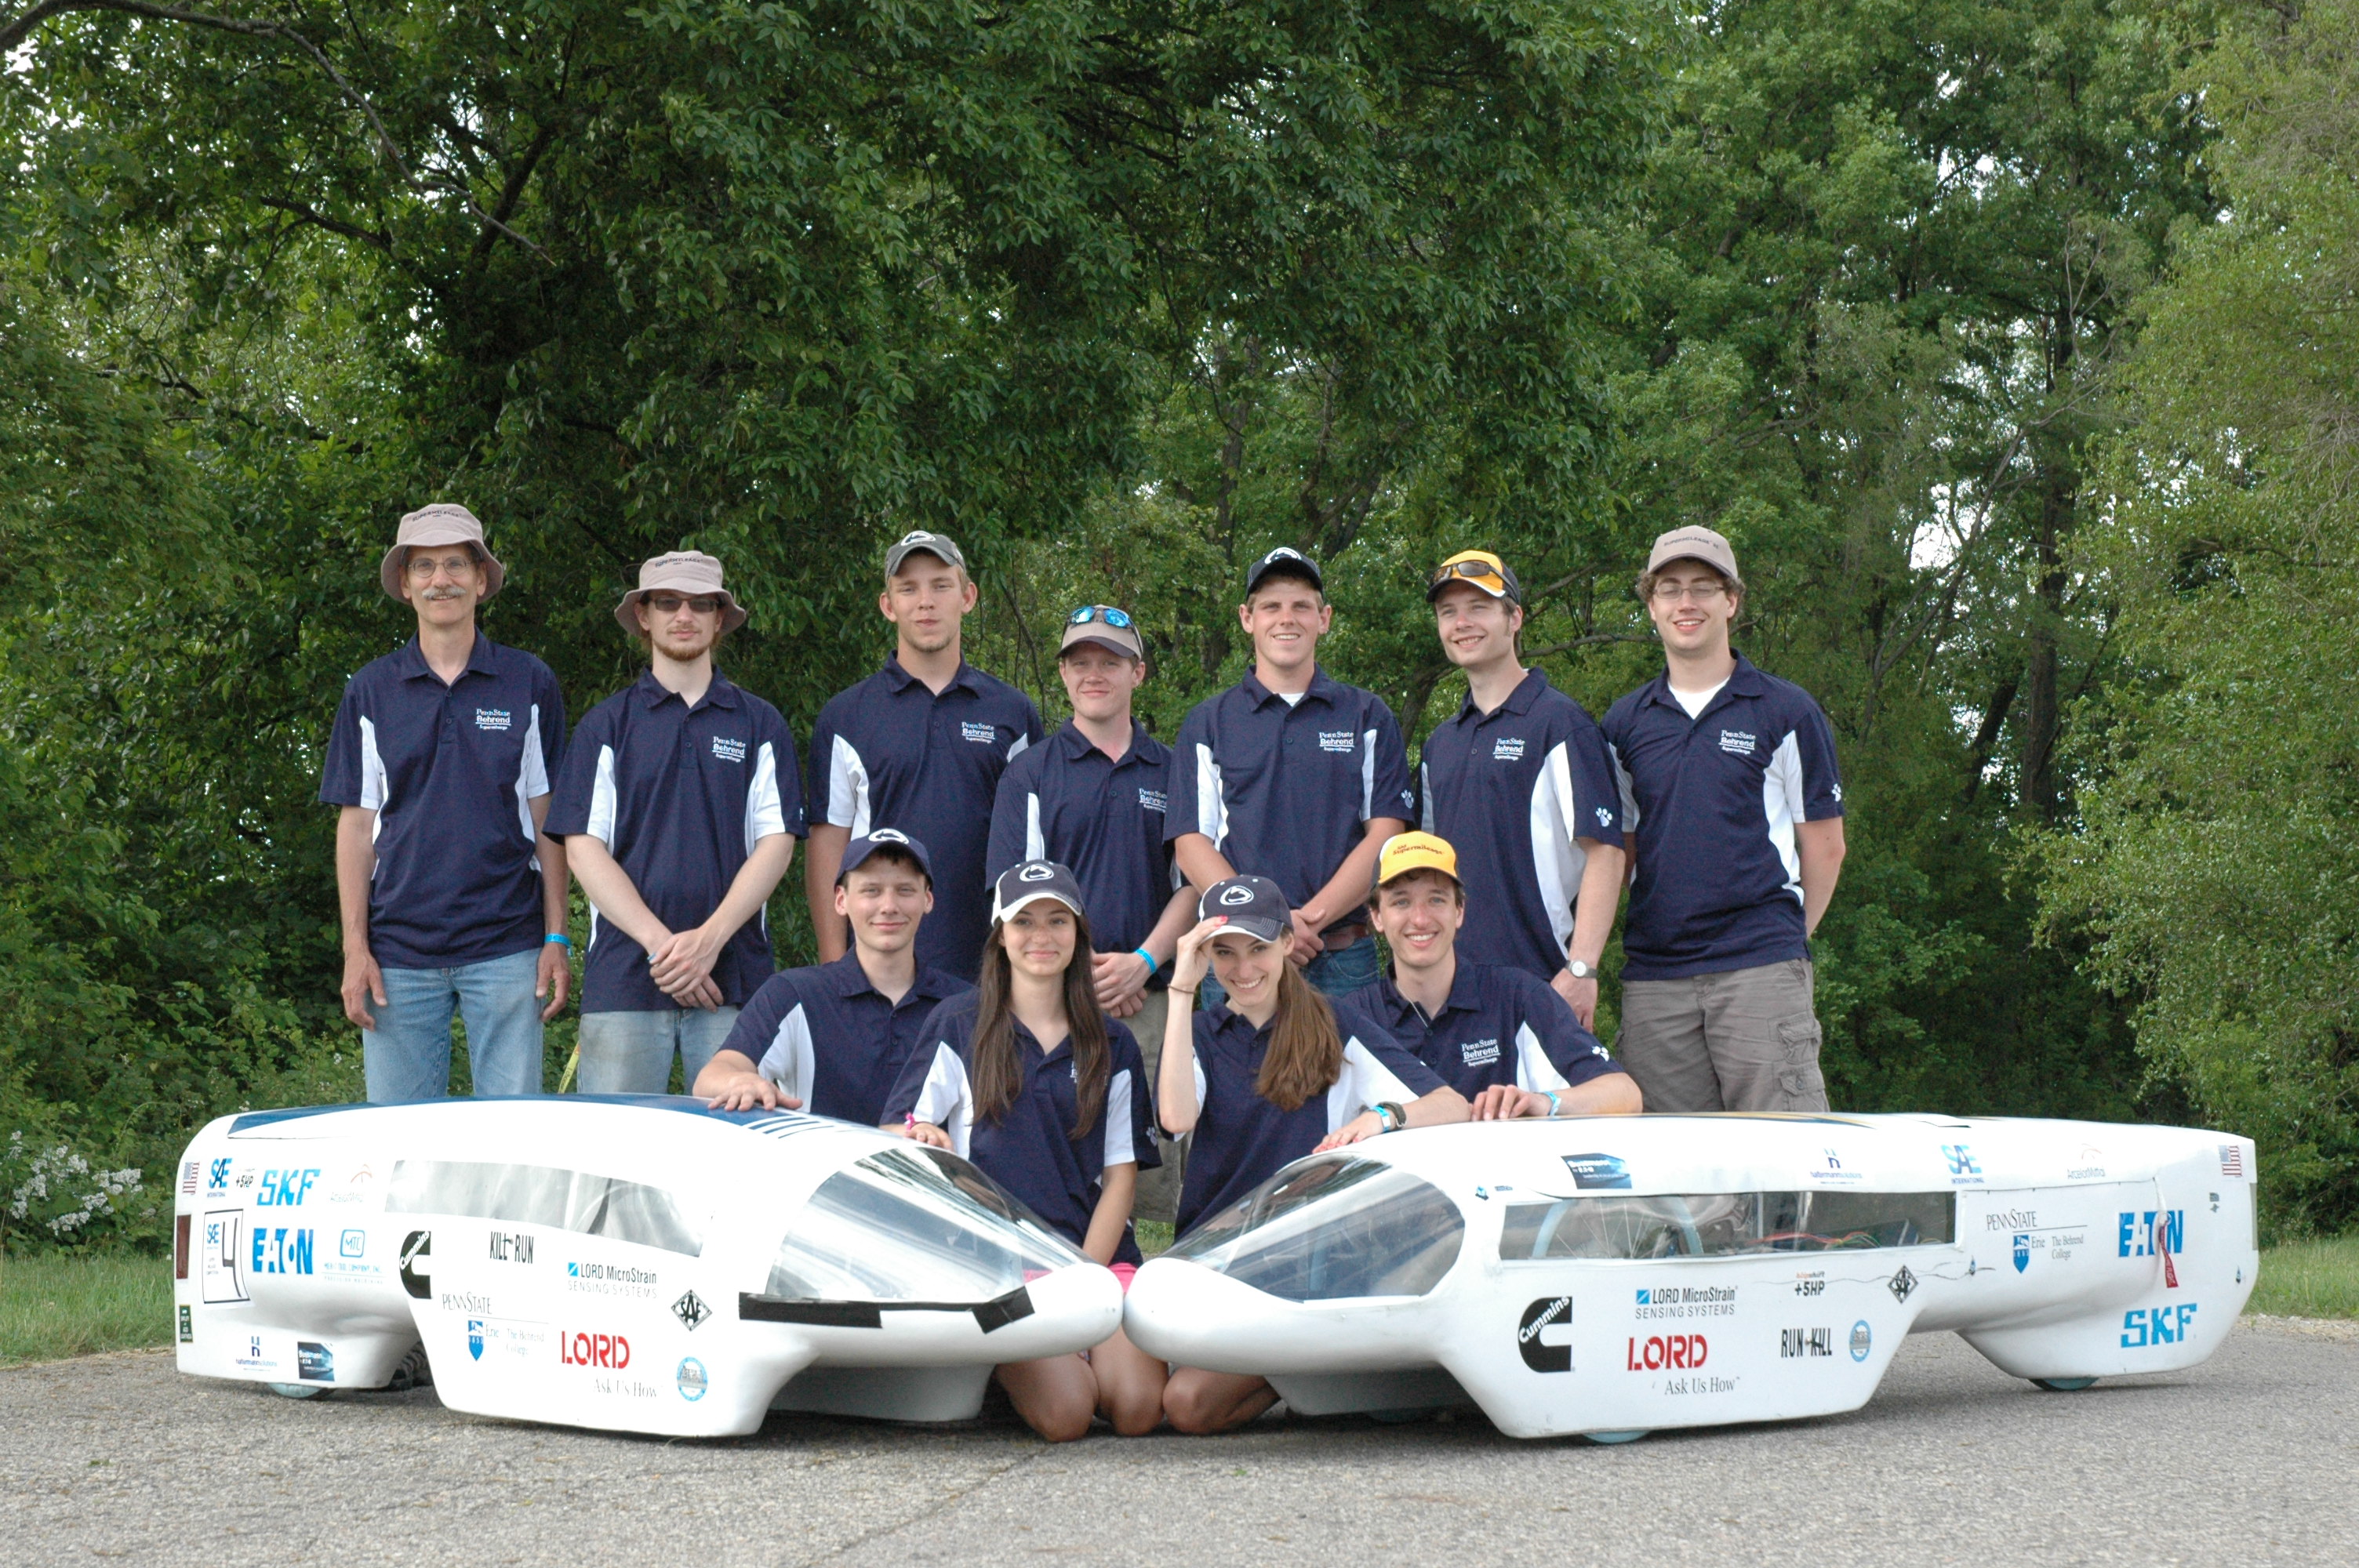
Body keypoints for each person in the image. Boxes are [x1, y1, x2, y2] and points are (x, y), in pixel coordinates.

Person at [1155, 875, 1467, 1433]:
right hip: (1215, 1263)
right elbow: (1176, 1118)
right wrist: (1180, 992)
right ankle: (1318, 1373)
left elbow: (1450, 1105)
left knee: (1188, 1405)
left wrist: (1382, 1116)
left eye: (1257, 949)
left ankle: (1311, 1371)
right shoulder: (1199, 1031)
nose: (1243, 968)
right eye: (1223, 953)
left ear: (1284, 946)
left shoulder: (1332, 1022)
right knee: (1159, 1396)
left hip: (1305, 1267)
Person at [889, 862, 1166, 1440]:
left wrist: (1085, 1279)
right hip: (1000, 1270)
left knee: (1139, 1411)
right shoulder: (959, 1024)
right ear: (1000, 936)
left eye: (1057, 921)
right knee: (1067, 1417)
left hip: (1092, 1262)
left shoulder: (1110, 1040)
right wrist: (921, 1135)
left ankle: (1069, 1360)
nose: (1042, 936)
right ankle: (1005, 1366)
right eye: (1025, 922)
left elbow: (1121, 1177)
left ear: (1078, 934)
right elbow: (897, 1129)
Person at [320, 503, 569, 1102]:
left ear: (481, 581)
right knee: (400, 1151)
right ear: (405, 585)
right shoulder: (370, 691)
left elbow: (549, 820)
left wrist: (556, 938)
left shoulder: (528, 681)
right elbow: (356, 829)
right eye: (424, 566)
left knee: (513, 1147)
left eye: (457, 564)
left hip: (508, 946)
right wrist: (356, 950)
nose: (442, 580)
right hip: (398, 955)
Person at [1599, 526, 1847, 1113]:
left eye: (1704, 588)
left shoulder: (1787, 711)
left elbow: (1826, 845)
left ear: (1732, 600)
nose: (1687, 603)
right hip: (1656, 980)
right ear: (1652, 606)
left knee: (1786, 1163)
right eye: (1670, 589)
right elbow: (1618, 856)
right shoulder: (1623, 723)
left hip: (1760, 969)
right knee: (1679, 1180)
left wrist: (1785, 940)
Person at [545, 553, 801, 1093]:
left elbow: (777, 843)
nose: (684, 614)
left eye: (700, 604)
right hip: (626, 979)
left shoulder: (760, 723)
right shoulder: (605, 726)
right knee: (615, 1161)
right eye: (668, 602)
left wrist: (709, 942)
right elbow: (584, 849)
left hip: (734, 979)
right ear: (644, 615)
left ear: (718, 618)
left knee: (735, 1157)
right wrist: (666, 949)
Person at [987, 604, 1196, 1221]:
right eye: (1081, 661)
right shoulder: (1029, 772)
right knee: (1062, 1166)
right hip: (1053, 1003)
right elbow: (1009, 897)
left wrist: (1141, 961)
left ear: (1139, 673)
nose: (1094, 673)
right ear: (1063, 673)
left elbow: (1190, 884)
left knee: (1157, 1179)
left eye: (1110, 661)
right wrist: (1082, 974)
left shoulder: (1172, 766)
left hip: (1153, 998)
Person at [1165, 547, 1414, 1000]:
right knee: (1238, 1074)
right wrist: (1268, 924)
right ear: (1247, 618)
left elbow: (1386, 835)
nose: (1287, 618)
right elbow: (1190, 843)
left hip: (1342, 957)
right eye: (1271, 607)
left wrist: (1307, 922)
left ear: (1324, 618)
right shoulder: (1208, 722)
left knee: (1349, 1073)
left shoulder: (1367, 715)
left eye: (1302, 606)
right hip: (1238, 958)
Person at [805, 531, 1043, 981]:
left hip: (990, 965)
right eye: (908, 589)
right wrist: (835, 967)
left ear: (967, 596)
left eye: (940, 585)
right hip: (877, 965)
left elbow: (1033, 846)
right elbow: (827, 848)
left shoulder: (1012, 713)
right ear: (888, 605)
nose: (925, 602)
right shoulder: (846, 716)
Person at [1416, 550, 1627, 1028]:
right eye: (1448, 612)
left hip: (1544, 985)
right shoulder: (1439, 744)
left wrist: (1582, 968)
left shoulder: (1562, 725)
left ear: (1515, 618)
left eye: (1479, 607)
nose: (1462, 622)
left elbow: (1607, 853)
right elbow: (1430, 871)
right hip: (1453, 993)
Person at [1350, 831, 1640, 1119]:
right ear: (1377, 916)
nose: (1421, 919)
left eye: (1436, 900)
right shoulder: (1352, 1019)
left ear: (1459, 910)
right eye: (1401, 902)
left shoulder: (1517, 995)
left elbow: (1624, 1093)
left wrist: (1543, 1102)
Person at [694, 830, 969, 1123]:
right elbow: (713, 1076)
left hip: (929, 1168)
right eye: (871, 891)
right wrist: (740, 1082)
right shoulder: (794, 993)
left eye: (905, 890)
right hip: (824, 1167)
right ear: (841, 900)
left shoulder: (966, 1006)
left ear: (927, 900)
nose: (889, 906)